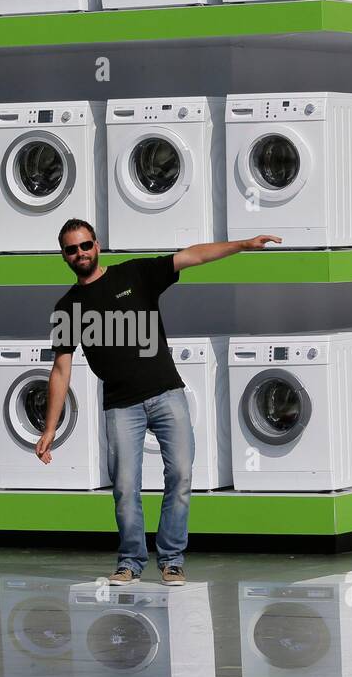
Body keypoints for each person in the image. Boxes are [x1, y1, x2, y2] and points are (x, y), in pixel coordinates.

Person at [38, 220, 280, 585]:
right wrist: (50, 428)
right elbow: (60, 370)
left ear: (97, 245)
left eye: (85, 245)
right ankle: (130, 562)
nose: (80, 253)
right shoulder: (67, 307)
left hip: (167, 393)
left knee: (181, 475)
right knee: (124, 488)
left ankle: (171, 560)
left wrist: (243, 244)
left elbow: (193, 256)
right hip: (121, 406)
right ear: (64, 255)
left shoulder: (135, 274)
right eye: (72, 249)